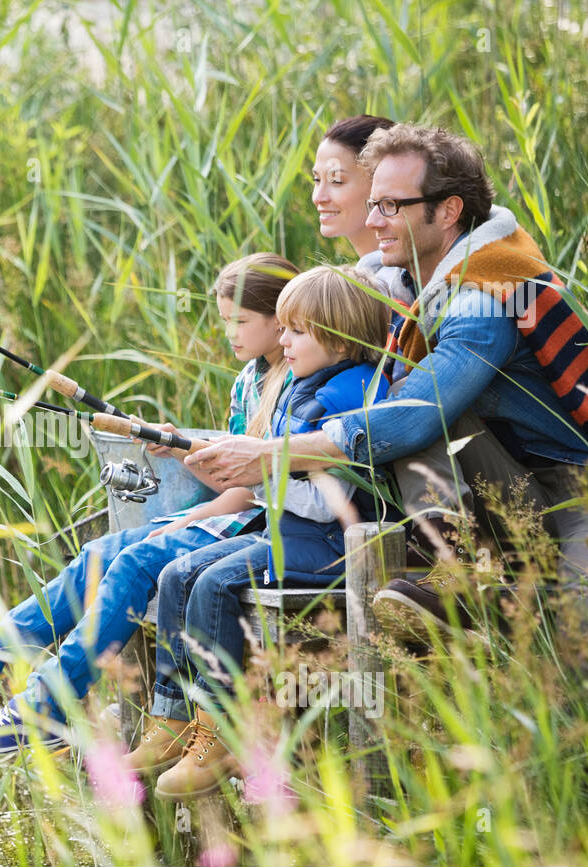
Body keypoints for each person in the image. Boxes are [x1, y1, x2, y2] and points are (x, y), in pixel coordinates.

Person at [184, 123, 588, 644]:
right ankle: (459, 564)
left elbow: (416, 414)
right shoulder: (407, 293)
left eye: (390, 206)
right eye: (372, 204)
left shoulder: (487, 297)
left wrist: (276, 453)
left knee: (580, 639)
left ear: (449, 210)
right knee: (404, 412)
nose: (372, 221)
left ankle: (478, 585)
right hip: (514, 499)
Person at [0, 253, 301, 755]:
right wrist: (187, 462)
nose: (228, 332)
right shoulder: (248, 380)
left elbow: (269, 490)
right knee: (100, 553)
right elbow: (240, 486)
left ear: (281, 319)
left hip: (268, 532)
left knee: (137, 560)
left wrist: (189, 515)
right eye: (223, 320)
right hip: (233, 517)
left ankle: (43, 706)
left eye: (241, 321)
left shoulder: (300, 378)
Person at [124, 115, 400, 782]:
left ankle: (220, 732)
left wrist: (259, 471)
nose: (283, 344)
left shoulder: (347, 393)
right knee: (174, 574)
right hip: (288, 529)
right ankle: (170, 718)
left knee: (216, 579)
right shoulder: (309, 383)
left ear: (337, 337)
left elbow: (324, 492)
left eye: (295, 333)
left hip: (330, 543)